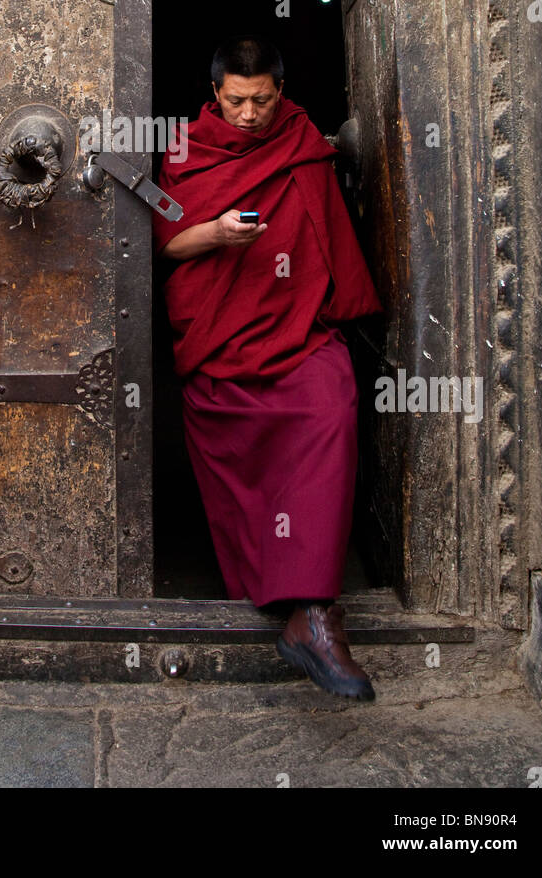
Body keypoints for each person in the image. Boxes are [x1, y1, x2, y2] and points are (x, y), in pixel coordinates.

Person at [152, 35, 383, 700]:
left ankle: (312, 611)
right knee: (237, 442)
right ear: (214, 94)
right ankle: (287, 602)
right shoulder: (187, 150)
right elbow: (166, 243)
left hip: (300, 327)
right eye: (235, 101)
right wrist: (218, 234)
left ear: (281, 93)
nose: (249, 115)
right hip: (223, 333)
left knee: (331, 408)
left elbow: (329, 237)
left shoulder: (303, 142)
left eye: (261, 100)